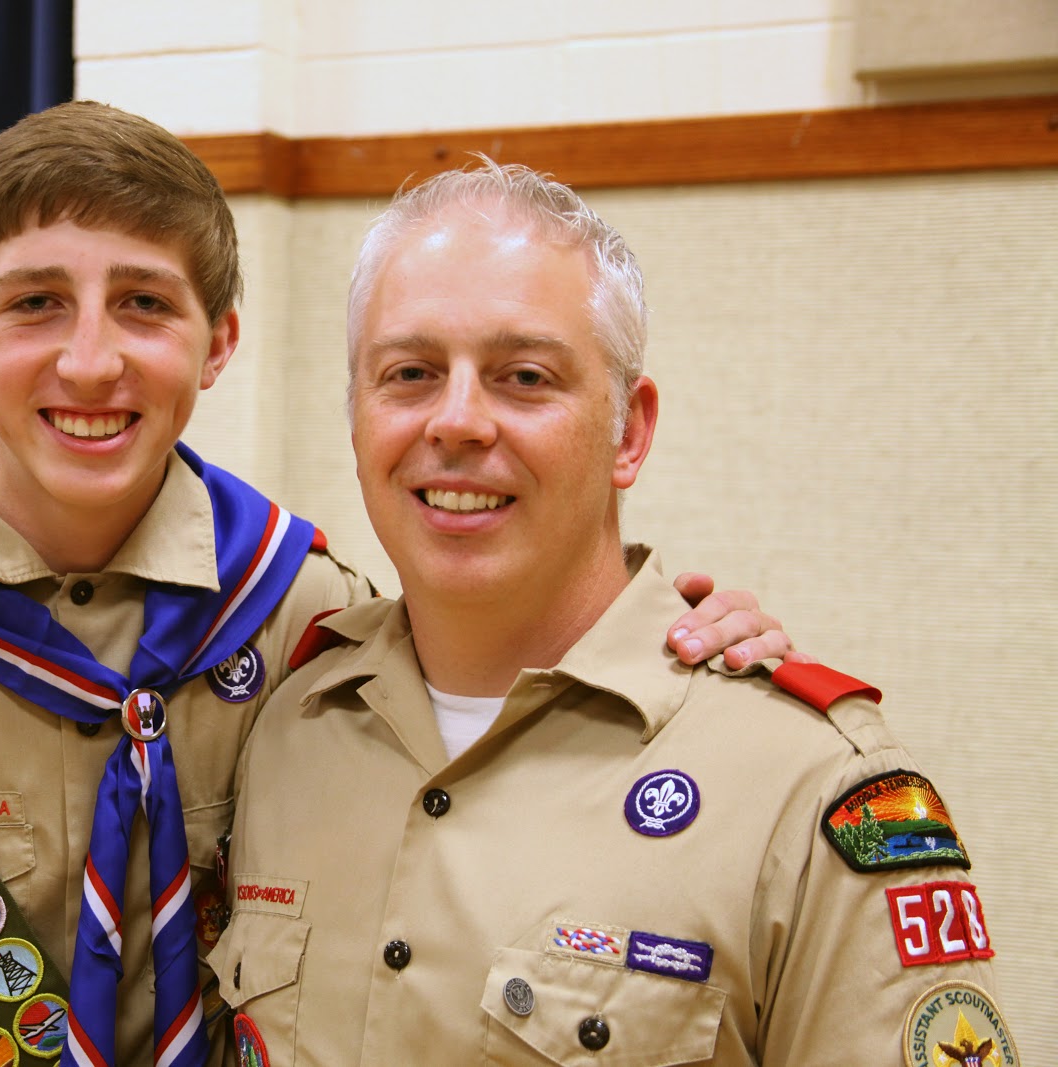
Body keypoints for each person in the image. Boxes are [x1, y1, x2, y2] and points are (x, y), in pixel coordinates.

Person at [0, 103, 796, 1067]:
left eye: (145, 305)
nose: (90, 359)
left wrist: (679, 643)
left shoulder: (304, 615)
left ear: (219, 343)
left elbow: (505, 684)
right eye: (34, 305)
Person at [210, 160, 1016, 1065]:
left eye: (523, 376)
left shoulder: (807, 788)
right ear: (357, 415)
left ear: (628, 431)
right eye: (410, 372)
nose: (459, 421)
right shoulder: (284, 730)